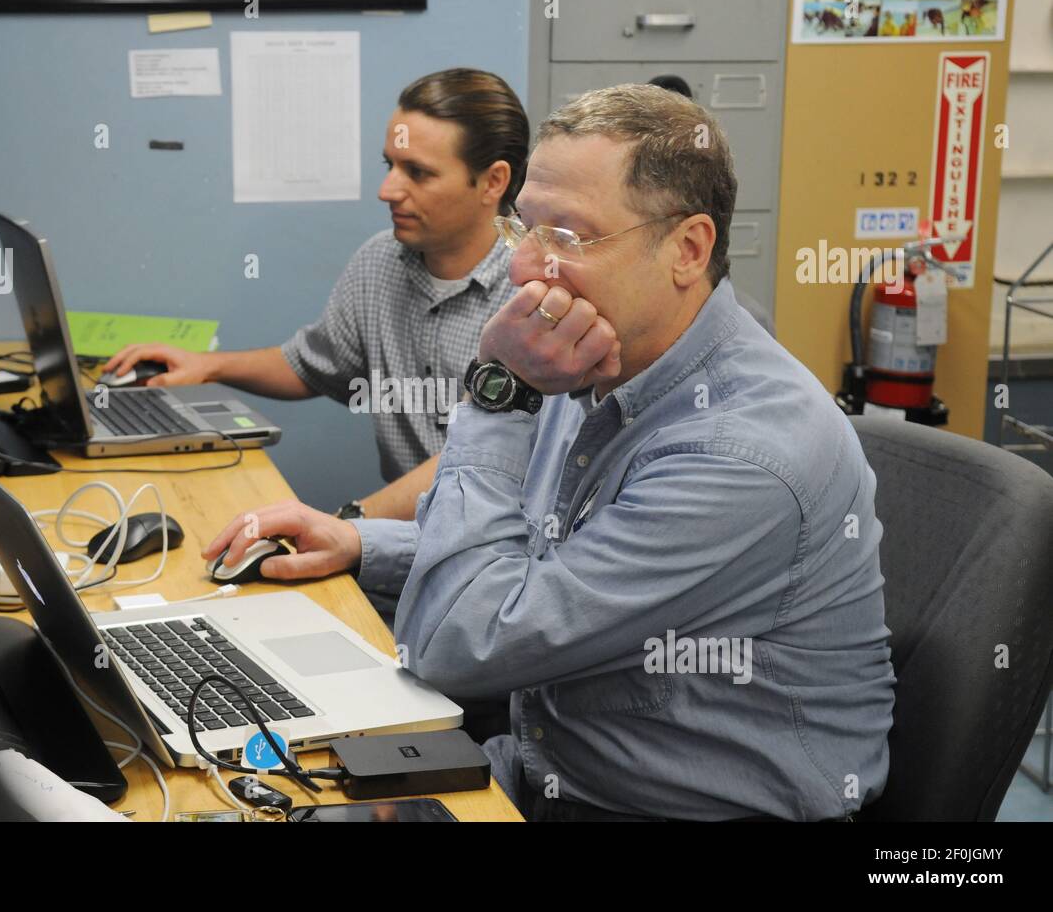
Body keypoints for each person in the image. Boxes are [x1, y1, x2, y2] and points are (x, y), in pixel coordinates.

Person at [203, 84, 895, 821]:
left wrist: (500, 395)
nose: (527, 268)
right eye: (523, 229)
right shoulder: (601, 351)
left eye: (566, 237)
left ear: (688, 249)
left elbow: (457, 643)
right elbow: (546, 556)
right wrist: (362, 543)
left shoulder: (742, 453)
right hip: (546, 768)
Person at [105, 68, 528, 522]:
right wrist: (208, 366)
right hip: (399, 542)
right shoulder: (380, 262)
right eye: (390, 165)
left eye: (418, 173)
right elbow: (313, 365)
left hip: (495, 550)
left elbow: (478, 456)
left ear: (493, 182)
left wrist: (347, 525)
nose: (388, 190)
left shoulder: (535, 295)